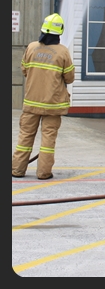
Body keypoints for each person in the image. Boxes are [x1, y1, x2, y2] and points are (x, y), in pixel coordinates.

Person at [12, 14, 75, 180]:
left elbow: (24, 70)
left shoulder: (31, 47)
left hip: (31, 103)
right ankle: (43, 173)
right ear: (59, 31)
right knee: (48, 140)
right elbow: (69, 78)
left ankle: (17, 169)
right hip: (53, 105)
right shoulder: (63, 52)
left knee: (25, 137)